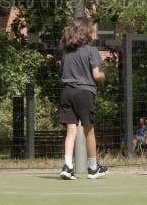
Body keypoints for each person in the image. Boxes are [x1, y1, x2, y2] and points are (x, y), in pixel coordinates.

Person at [58, 16, 108, 180]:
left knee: (71, 131)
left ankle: (67, 166)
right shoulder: (91, 49)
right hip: (85, 93)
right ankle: (93, 168)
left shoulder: (66, 51)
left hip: (67, 92)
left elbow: (62, 73)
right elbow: (96, 74)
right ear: (86, 31)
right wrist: (102, 75)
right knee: (89, 131)